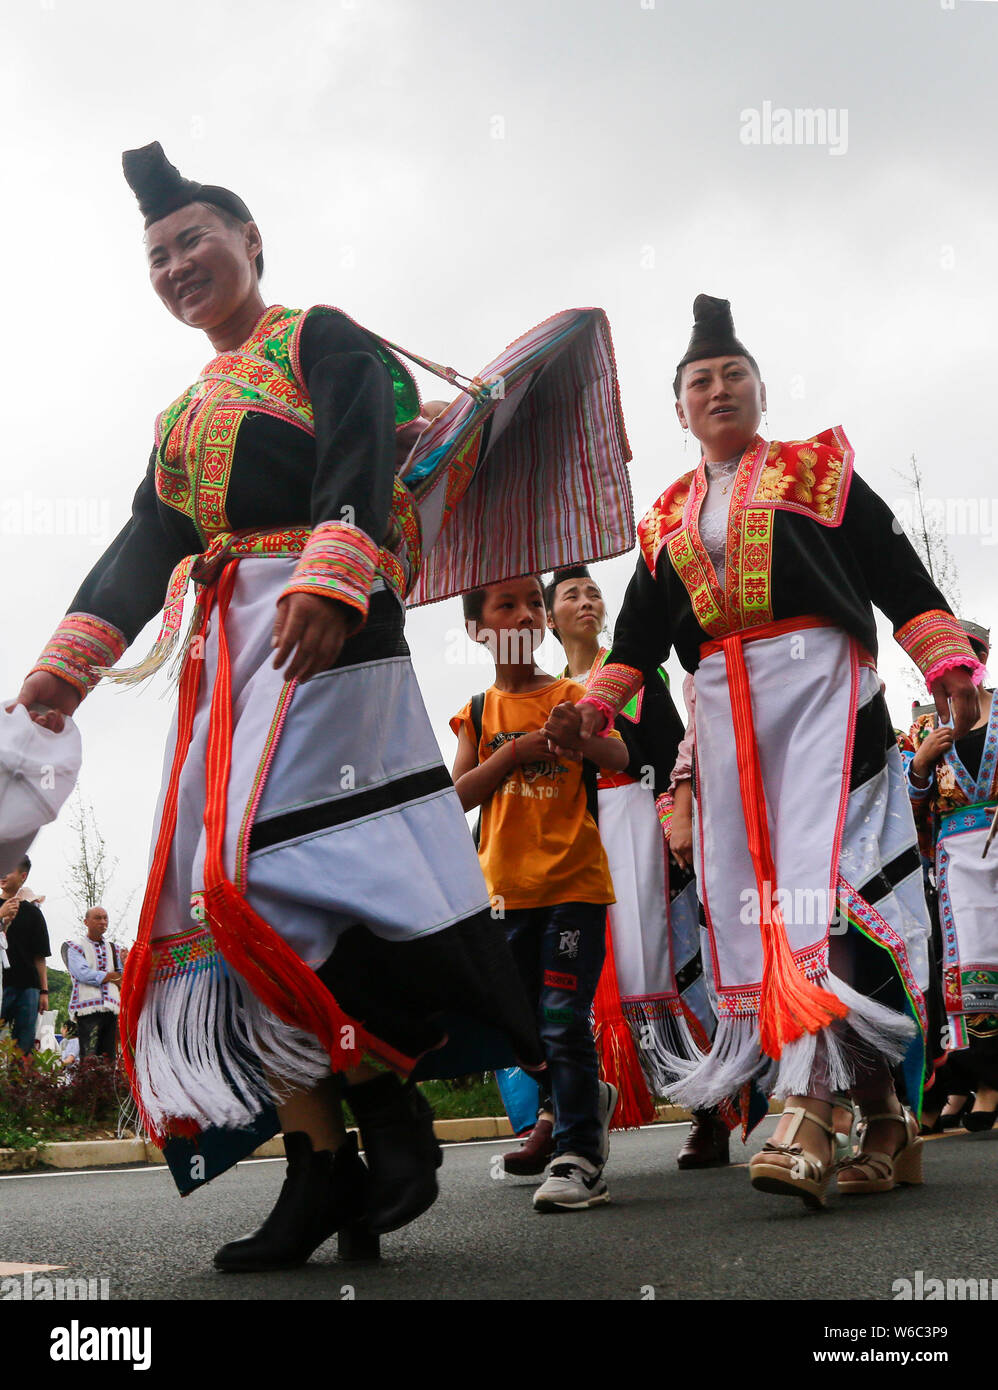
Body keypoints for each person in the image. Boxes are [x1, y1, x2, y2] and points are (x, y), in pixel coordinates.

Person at [12, 141, 543, 1271]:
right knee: (217, 903)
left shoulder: (319, 337)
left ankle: (386, 1105)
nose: (174, 263)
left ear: (250, 243)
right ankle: (319, 1169)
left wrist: (337, 569)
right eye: (156, 254)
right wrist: (72, 656)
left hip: (327, 628)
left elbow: (357, 441)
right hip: (228, 645)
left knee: (278, 873)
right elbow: (149, 538)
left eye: (192, 238)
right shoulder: (180, 415)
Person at [547, 293, 983, 1208]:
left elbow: (892, 563)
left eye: (733, 375)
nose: (718, 390)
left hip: (825, 697)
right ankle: (887, 1119)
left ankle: (806, 1104)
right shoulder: (665, 517)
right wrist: (594, 711)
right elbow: (633, 644)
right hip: (726, 719)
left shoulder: (814, 471)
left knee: (829, 898)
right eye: (700, 381)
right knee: (758, 908)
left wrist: (945, 655)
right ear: (678, 409)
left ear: (760, 391)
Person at [451, 574, 627, 1210]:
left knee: (561, 1018)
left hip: (573, 887)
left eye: (533, 603)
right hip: (502, 897)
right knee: (516, 1030)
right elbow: (457, 798)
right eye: (506, 605)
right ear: (479, 628)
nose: (525, 614)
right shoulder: (476, 711)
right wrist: (516, 753)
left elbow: (620, 754)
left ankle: (578, 1156)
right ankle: (585, 1095)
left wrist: (578, 734)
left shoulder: (576, 693)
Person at [543, 566, 721, 1159]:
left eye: (594, 592)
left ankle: (711, 1105)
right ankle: (568, 1112)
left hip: (637, 823)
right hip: (575, 838)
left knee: (666, 960)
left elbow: (669, 749)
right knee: (582, 972)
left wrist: (676, 816)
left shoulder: (635, 675)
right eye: (571, 595)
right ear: (550, 619)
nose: (587, 601)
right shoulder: (546, 692)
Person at [908, 620, 998, 1132]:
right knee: (968, 971)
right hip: (957, 857)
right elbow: (909, 804)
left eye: (972, 655)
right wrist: (921, 762)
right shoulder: (925, 729)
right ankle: (978, 1078)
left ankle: (989, 1086)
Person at [0, 857, 51, 1055]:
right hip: (2, 984)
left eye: (9, 870)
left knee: (24, 1045)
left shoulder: (33, 913)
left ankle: (18, 1085)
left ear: (23, 876)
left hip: (27, 987)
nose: (3, 875)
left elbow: (39, 956)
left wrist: (44, 991)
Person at [63, 906, 124, 1060]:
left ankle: (106, 1083)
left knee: (109, 1056)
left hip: (111, 1008)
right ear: (86, 922)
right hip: (88, 1007)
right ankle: (89, 1084)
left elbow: (123, 978)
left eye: (105, 918)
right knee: (89, 1055)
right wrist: (111, 976)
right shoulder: (75, 946)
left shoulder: (115, 949)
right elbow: (82, 974)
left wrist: (126, 963)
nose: (103, 922)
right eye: (98, 918)